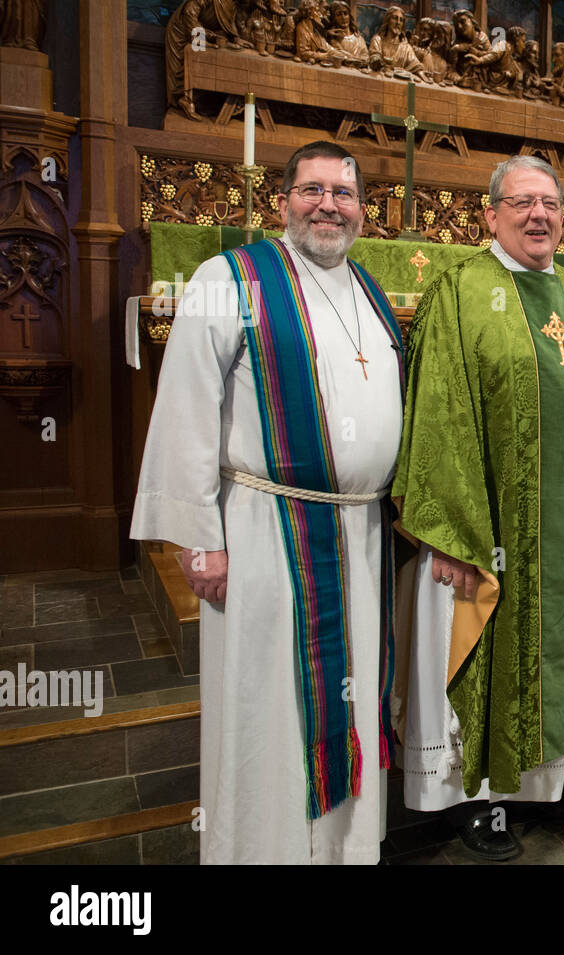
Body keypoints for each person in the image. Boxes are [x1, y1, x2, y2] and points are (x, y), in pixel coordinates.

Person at [131, 141, 403, 864]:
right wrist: (198, 536)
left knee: (350, 692)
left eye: (343, 193)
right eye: (312, 189)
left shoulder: (370, 290)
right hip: (265, 530)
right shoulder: (233, 276)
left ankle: (345, 850)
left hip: (360, 534)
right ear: (282, 200)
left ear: (361, 209)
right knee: (268, 705)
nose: (328, 205)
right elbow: (186, 406)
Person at [393, 155, 564, 860]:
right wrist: (454, 528)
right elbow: (436, 409)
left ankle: (545, 787)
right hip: (486, 527)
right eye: (522, 203)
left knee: (559, 641)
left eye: (551, 204)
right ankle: (477, 798)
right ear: (490, 214)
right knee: (486, 645)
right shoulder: (462, 289)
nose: (539, 215)